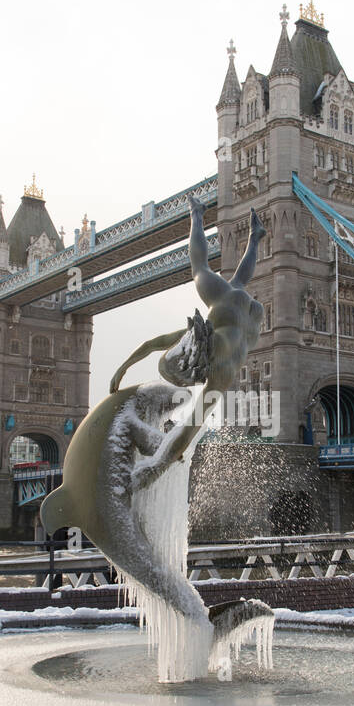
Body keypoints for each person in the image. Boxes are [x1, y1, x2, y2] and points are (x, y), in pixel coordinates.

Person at [109, 197, 266, 490]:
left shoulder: (220, 375)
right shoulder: (207, 332)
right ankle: (197, 213)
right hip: (233, 311)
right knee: (199, 268)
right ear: (188, 354)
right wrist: (122, 368)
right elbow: (153, 343)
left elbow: (188, 430)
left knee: (239, 282)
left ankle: (255, 237)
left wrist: (157, 467)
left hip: (253, 319)